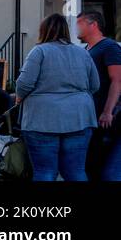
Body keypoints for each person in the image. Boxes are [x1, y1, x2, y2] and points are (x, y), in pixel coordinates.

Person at [15, 13, 99, 181]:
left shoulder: (39, 52)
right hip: (79, 118)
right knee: (75, 172)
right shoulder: (83, 53)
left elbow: (24, 84)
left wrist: (19, 98)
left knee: (45, 172)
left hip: (42, 120)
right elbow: (95, 85)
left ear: (43, 30)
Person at [77, 10, 121, 181]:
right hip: (89, 117)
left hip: (105, 119)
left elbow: (117, 80)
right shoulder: (86, 50)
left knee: (103, 166)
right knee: (90, 164)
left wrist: (108, 111)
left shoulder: (109, 47)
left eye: (80, 23)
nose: (77, 28)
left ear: (93, 25)